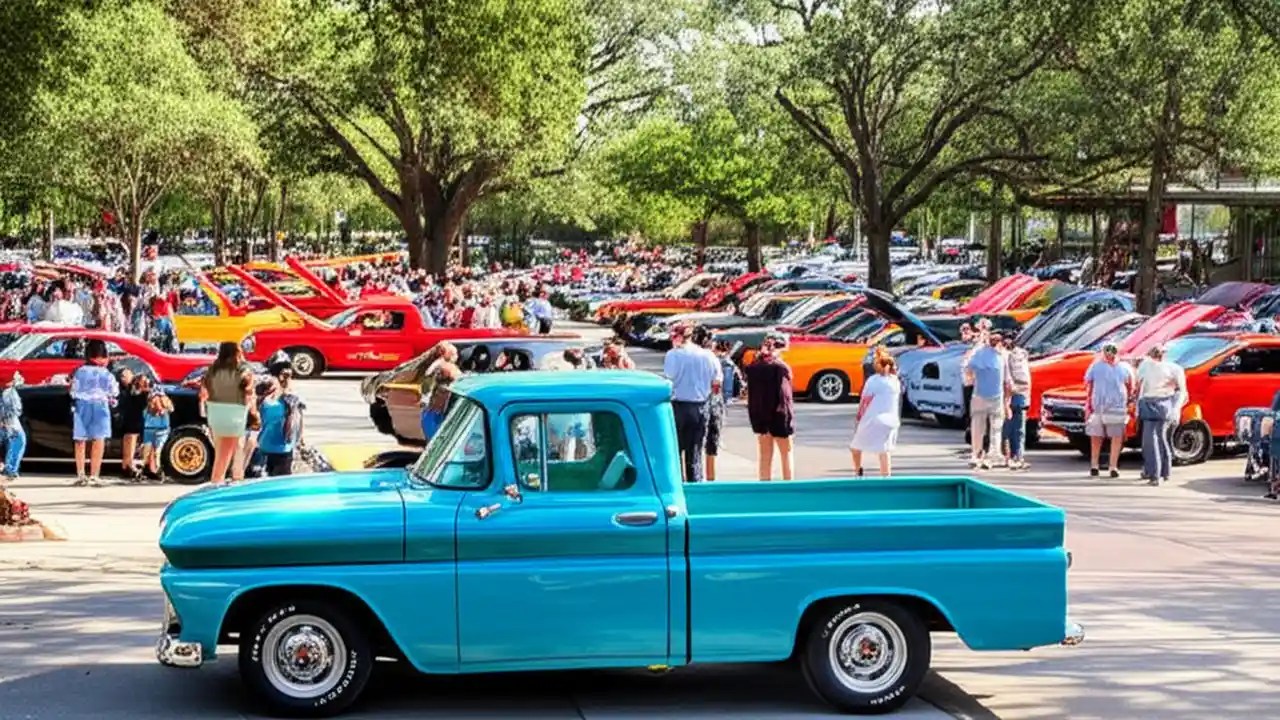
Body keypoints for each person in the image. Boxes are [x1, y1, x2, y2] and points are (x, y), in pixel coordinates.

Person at [663, 325, 721, 483]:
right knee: (694, 452)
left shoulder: (673, 355)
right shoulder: (708, 356)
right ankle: (695, 484)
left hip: (678, 406)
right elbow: (716, 382)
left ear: (679, 337)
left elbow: (669, 377)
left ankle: (677, 484)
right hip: (700, 406)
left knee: (675, 450)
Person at [201, 341, 256, 484]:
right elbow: (249, 390)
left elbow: (205, 389)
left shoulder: (212, 370)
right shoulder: (242, 370)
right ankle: (227, 480)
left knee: (221, 449)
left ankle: (224, 479)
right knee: (234, 449)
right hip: (235, 412)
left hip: (215, 412)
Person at [744, 332, 795, 481]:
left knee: (765, 455)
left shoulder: (753, 368)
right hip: (779, 414)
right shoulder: (781, 368)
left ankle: (764, 485)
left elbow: (751, 394)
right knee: (786, 453)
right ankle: (788, 486)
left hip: (760, 415)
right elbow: (784, 396)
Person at [1136, 344, 1186, 486]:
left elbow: (1139, 383)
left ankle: (1154, 474)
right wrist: (1176, 408)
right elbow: (1182, 391)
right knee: (1162, 437)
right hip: (1166, 404)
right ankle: (1165, 471)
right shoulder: (1175, 368)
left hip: (1150, 402)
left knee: (1150, 440)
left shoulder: (1146, 366)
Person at [71, 340, 119, 486]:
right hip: (100, 406)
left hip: (82, 405)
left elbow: (73, 391)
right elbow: (114, 391)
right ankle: (94, 474)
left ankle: (80, 474)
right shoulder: (106, 373)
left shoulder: (80, 371)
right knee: (98, 440)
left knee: (80, 440)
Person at [1084, 342, 1136, 478]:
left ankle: (1111, 466)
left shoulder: (1124, 368)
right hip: (1100, 407)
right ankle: (1097, 465)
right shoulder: (1096, 366)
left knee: (1113, 437)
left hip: (1115, 408)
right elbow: (1088, 384)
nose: (1109, 355)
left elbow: (1131, 387)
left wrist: (1129, 403)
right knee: (1098, 437)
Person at [850, 348, 901, 477]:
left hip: (873, 419)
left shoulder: (873, 381)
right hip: (891, 420)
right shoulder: (895, 381)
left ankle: (858, 471)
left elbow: (865, 401)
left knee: (856, 446)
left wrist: (858, 418)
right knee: (884, 451)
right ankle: (886, 477)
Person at [964, 331, 1009, 469]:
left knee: (977, 427)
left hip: (979, 395)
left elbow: (967, 369)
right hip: (996, 396)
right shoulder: (1003, 357)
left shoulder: (979, 354)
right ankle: (994, 455)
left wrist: (971, 379)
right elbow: (1007, 380)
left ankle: (976, 454)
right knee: (996, 428)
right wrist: (1007, 402)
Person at [257, 376, 304, 477]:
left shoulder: (263, 404)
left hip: (264, 445)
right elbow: (298, 426)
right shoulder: (291, 403)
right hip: (283, 448)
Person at [419, 342, 461, 442]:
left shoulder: (434, 364)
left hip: (429, 409)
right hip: (437, 410)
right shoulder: (446, 366)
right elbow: (462, 380)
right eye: (454, 353)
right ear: (445, 353)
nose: (457, 356)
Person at [1003, 336, 1032, 470]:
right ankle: (1016, 456)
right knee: (1017, 429)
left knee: (1010, 428)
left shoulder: (1007, 355)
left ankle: (1013, 456)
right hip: (1019, 394)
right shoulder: (1021, 355)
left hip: (1013, 394)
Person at [118, 372, 150, 480]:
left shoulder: (144, 392)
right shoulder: (129, 391)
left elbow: (142, 404)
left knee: (132, 439)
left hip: (136, 418)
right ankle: (127, 464)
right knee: (129, 439)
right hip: (130, 418)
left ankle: (128, 464)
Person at [140, 387, 173, 481]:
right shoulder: (148, 408)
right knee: (149, 451)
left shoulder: (165, 408)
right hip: (150, 430)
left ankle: (157, 469)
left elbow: (169, 410)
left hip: (160, 431)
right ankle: (150, 469)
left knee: (157, 451)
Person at [0, 372, 26, 486]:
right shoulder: (8, 393)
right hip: (10, 422)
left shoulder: (8, 392)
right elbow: (15, 410)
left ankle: (10, 469)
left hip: (8, 422)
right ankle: (10, 470)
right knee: (18, 440)